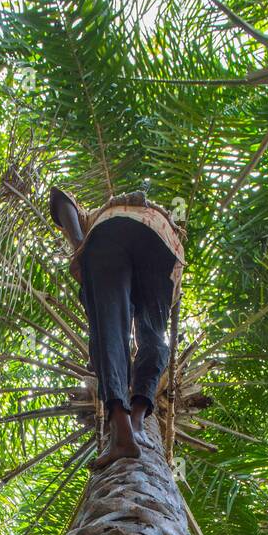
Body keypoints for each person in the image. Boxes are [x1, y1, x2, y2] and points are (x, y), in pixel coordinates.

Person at [50, 185, 184, 467]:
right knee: (154, 338)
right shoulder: (155, 218)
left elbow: (60, 198)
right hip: (163, 243)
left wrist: (78, 247)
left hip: (110, 232)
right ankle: (136, 422)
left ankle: (122, 429)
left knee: (108, 331)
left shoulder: (96, 216)